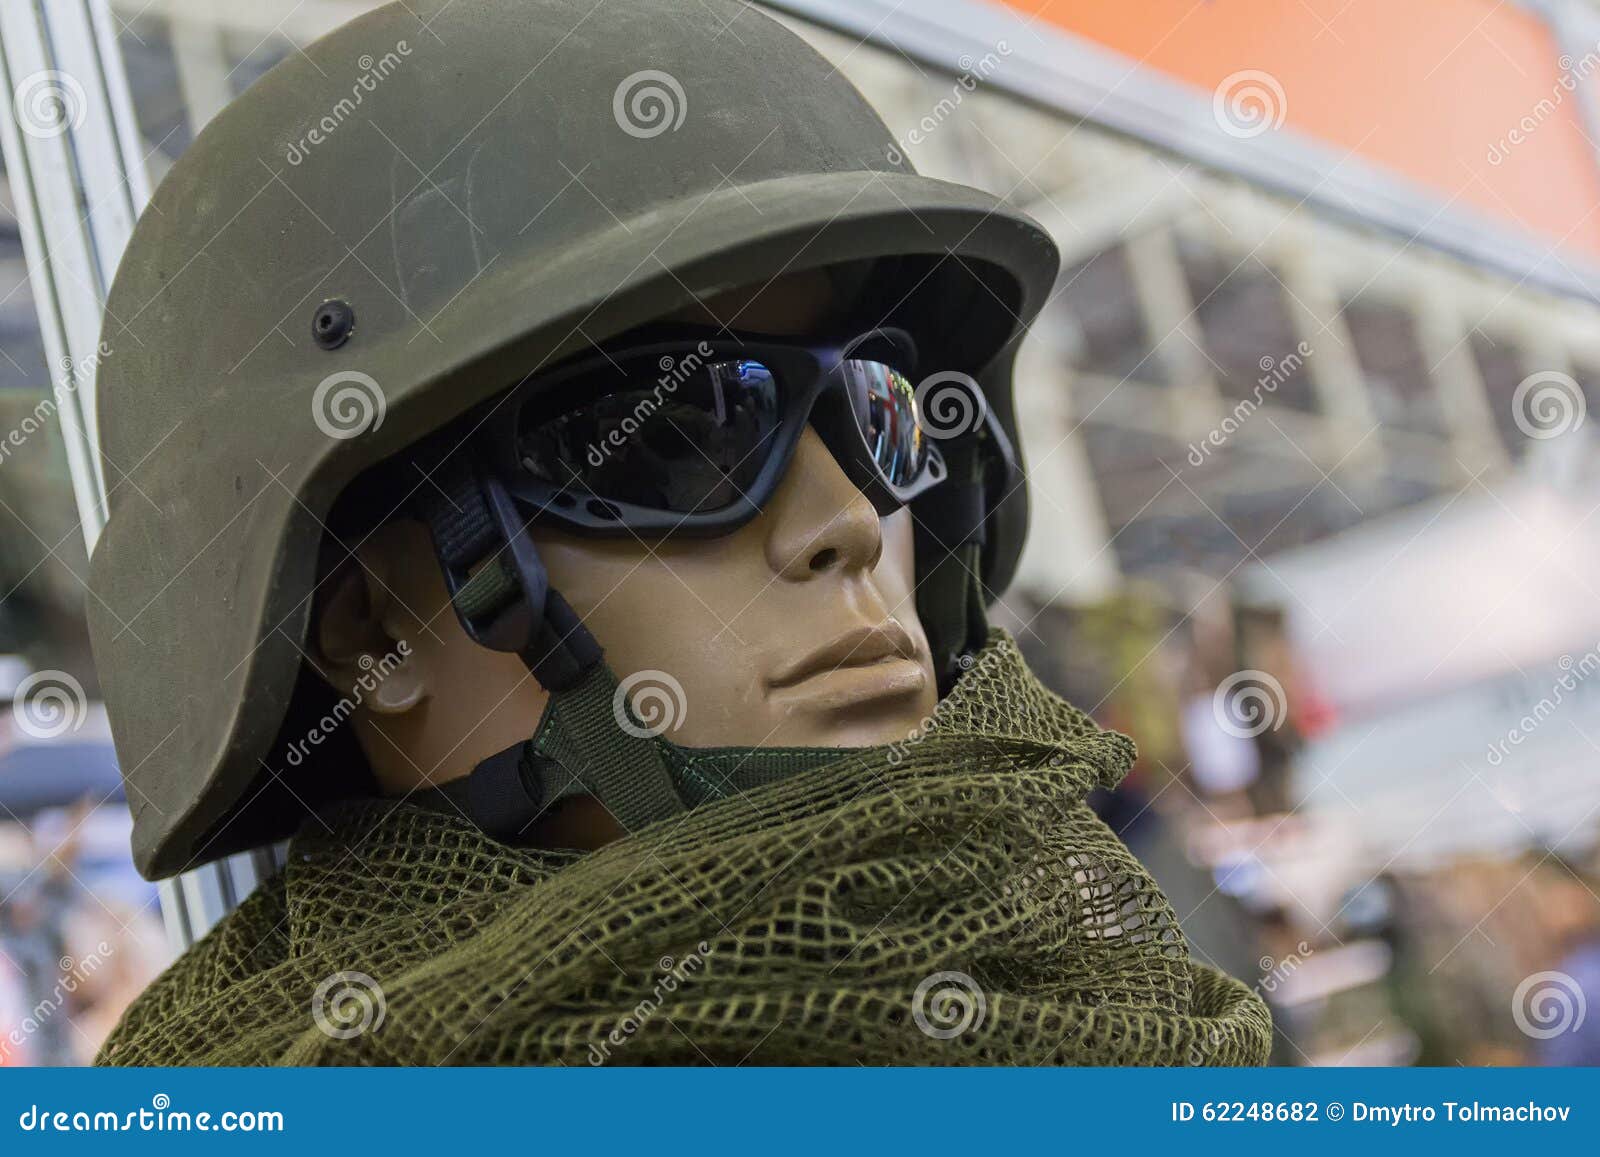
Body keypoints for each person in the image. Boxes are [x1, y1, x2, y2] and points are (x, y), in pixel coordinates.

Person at [88, 0, 1269, 1066]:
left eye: (876, 410)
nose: (847, 524)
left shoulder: (1079, 1014)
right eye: (677, 433)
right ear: (370, 628)